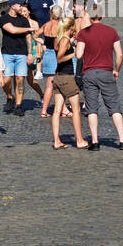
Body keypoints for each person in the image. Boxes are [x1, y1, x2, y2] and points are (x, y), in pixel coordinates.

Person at [76, 3, 123, 150]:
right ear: (102, 16)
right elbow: (120, 54)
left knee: (92, 108)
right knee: (114, 107)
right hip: (106, 72)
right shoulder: (111, 31)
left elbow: (79, 55)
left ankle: (95, 142)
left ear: (90, 17)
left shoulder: (83, 33)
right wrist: (116, 69)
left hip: (89, 73)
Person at [49, 15, 88, 149]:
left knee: (56, 111)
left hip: (58, 76)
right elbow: (60, 58)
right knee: (76, 110)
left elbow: (61, 47)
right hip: (67, 76)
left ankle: (56, 141)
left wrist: (71, 42)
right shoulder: (65, 39)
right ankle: (79, 140)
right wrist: (74, 53)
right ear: (71, 28)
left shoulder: (58, 38)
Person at [38, 5, 65, 118]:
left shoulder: (46, 24)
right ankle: (59, 110)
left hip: (47, 54)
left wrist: (43, 42)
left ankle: (47, 110)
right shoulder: (60, 26)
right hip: (55, 54)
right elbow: (58, 44)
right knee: (57, 84)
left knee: (50, 84)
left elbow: (35, 35)